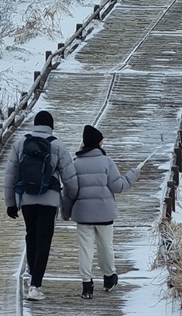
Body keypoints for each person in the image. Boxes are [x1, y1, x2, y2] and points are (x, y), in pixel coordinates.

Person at [4, 110, 77, 301]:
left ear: (35, 124)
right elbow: (69, 177)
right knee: (44, 239)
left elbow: (10, 175)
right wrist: (72, 198)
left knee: (31, 234)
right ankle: (35, 285)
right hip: (49, 200)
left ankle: (31, 269)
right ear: (51, 126)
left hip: (27, 199)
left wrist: (11, 203)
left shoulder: (21, 143)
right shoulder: (57, 145)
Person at [62, 124, 139, 299]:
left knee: (85, 249)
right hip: (105, 213)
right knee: (106, 246)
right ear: (98, 143)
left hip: (82, 214)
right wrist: (133, 174)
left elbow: (69, 191)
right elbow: (118, 186)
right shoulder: (107, 162)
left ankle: (87, 285)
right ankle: (109, 277)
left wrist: (66, 212)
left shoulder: (76, 164)